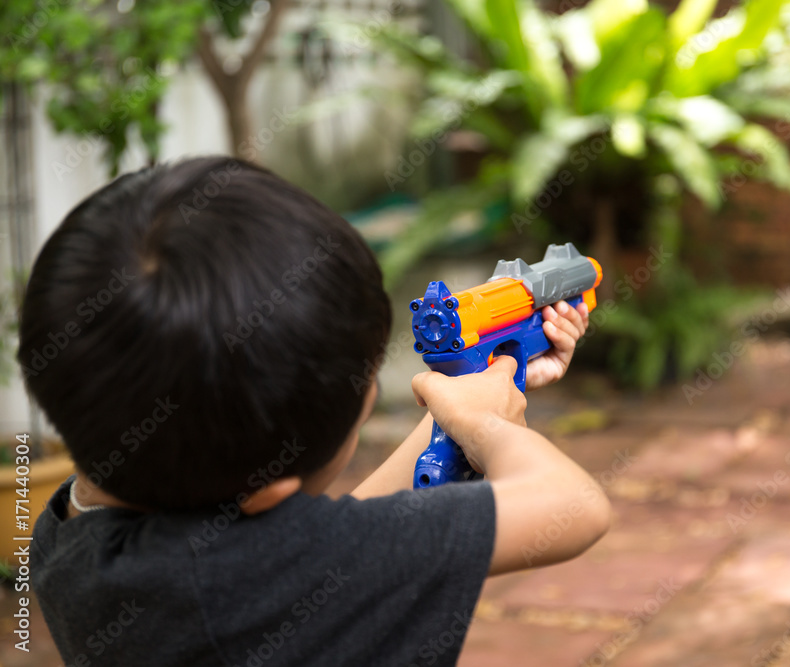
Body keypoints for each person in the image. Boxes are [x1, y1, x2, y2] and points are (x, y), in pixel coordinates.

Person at [19, 156, 611, 667]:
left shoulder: (68, 538)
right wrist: (485, 423)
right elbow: (574, 505)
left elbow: (328, 543)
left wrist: (471, 390)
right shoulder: (277, 578)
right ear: (268, 492)